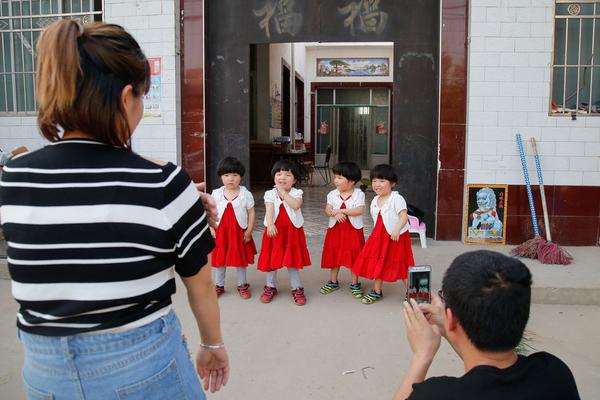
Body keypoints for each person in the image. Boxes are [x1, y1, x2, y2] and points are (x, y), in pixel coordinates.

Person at [0, 20, 228, 399]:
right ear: (126, 98)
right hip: (141, 366)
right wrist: (213, 346)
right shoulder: (161, 184)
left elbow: (88, 171)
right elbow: (201, 282)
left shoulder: (16, 177)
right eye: (142, 96)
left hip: (44, 373)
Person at [395, 250, 580, 400]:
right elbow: (486, 364)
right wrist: (450, 329)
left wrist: (423, 354)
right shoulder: (554, 372)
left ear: (451, 318)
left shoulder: (436, 394)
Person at [351, 164, 415, 304]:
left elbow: (404, 216)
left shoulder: (396, 199)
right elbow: (377, 220)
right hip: (379, 237)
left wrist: (397, 229)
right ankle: (377, 291)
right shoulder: (375, 200)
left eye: (382, 181)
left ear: (392, 183)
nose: (377, 184)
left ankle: (413, 293)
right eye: (374, 181)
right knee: (378, 262)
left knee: (401, 264)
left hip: (396, 237)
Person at [257, 159, 311, 305]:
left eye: (287, 175)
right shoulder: (269, 193)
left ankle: (297, 288)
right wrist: (270, 224)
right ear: (274, 177)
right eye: (279, 174)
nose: (282, 177)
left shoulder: (297, 192)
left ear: (294, 180)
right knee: (271, 261)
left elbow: (295, 205)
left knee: (292, 261)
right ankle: (270, 286)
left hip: (292, 232)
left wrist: (282, 192)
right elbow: (269, 210)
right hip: (274, 231)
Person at [210, 157, 257, 299]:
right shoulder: (216, 193)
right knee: (219, 260)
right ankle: (219, 285)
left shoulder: (245, 194)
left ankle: (242, 285)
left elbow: (251, 212)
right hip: (220, 232)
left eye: (235, 175)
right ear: (220, 177)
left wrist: (249, 230)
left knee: (240, 259)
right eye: (226, 175)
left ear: (241, 176)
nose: (230, 179)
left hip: (239, 232)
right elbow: (210, 212)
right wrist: (211, 228)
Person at [319, 161, 366, 298]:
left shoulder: (358, 194)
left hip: (353, 230)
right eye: (335, 177)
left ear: (351, 181)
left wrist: (341, 211)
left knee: (354, 255)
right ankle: (333, 281)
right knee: (334, 255)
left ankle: (355, 283)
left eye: (340, 178)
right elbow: (328, 209)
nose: (336, 181)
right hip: (336, 230)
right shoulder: (332, 194)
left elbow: (359, 210)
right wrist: (335, 213)